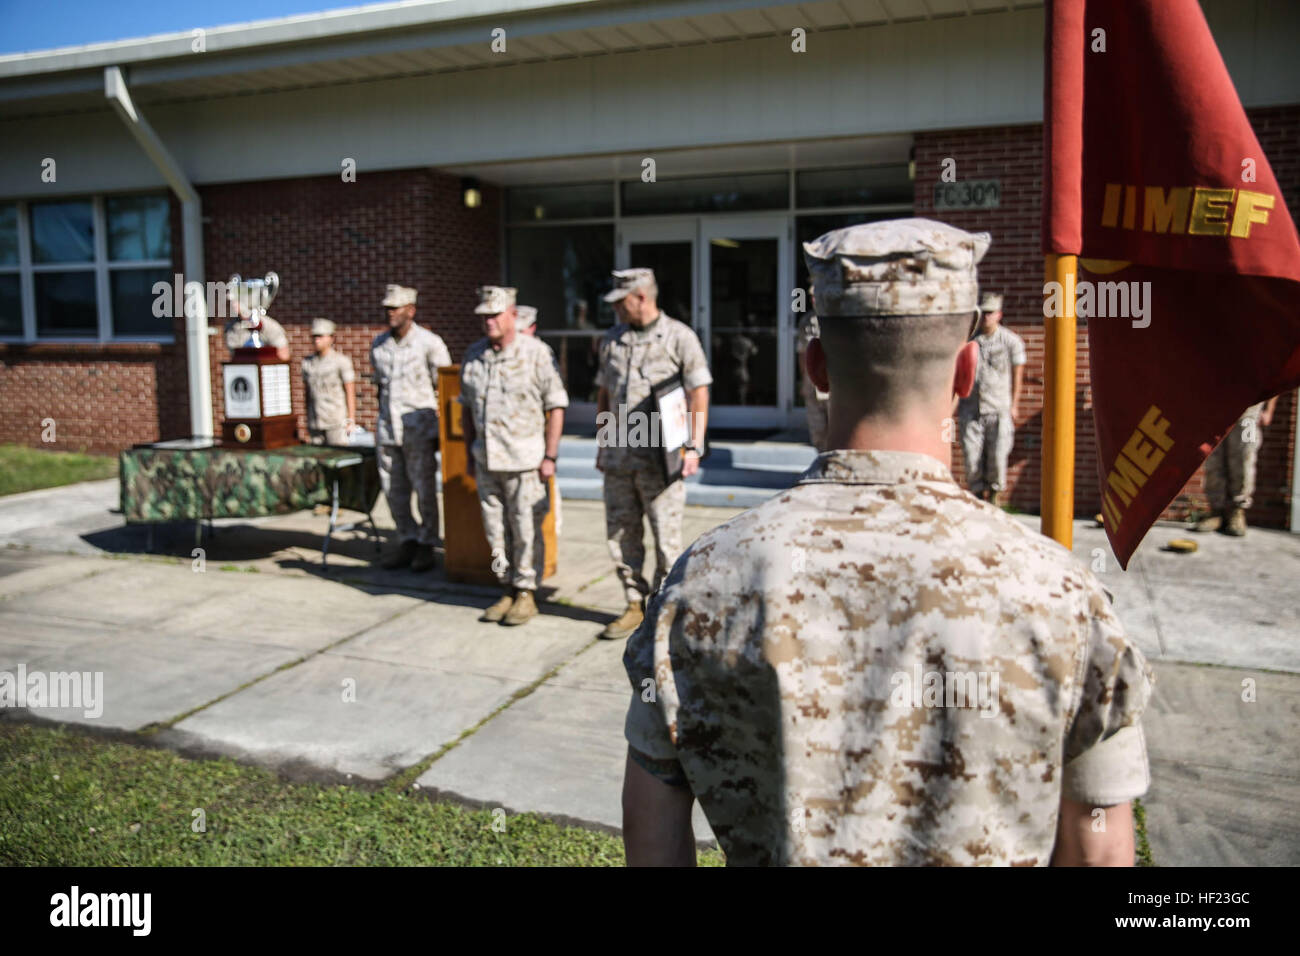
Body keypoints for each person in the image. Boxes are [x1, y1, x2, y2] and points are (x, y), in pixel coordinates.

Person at [621, 218, 1154, 867]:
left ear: (816, 366)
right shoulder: (1062, 596)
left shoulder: (701, 580)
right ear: (967, 370)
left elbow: (651, 832)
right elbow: (1098, 850)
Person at [596, 268, 712, 641]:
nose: (616, 309)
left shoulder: (679, 337)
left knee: (667, 541)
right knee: (621, 535)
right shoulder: (612, 340)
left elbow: (698, 392)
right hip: (619, 458)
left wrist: (693, 445)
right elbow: (604, 394)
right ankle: (634, 603)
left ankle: (664, 611)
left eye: (622, 302)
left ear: (642, 297)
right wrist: (603, 442)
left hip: (661, 461)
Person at [461, 288, 567, 625]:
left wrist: (550, 456)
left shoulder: (536, 353)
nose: (488, 321)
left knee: (525, 529)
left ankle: (526, 591)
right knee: (495, 530)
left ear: (512, 315)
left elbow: (556, 406)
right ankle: (506, 585)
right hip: (487, 459)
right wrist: (469, 454)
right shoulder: (474, 355)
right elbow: (466, 410)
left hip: (525, 461)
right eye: (484, 316)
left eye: (495, 315)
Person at [370, 284, 451, 573]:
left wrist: (440, 432)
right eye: (387, 309)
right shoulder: (379, 345)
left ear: (411, 311)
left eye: (395, 308)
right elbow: (380, 388)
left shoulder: (430, 343)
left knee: (424, 490)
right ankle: (407, 539)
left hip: (418, 431)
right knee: (394, 490)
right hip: (388, 430)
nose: (390, 313)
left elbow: (445, 388)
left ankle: (427, 542)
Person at [956, 292, 1026, 505]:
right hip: (971, 409)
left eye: (990, 313)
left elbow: (1017, 374)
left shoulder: (1010, 341)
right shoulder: (969, 341)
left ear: (999, 315)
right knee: (972, 458)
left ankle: (994, 499)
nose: (986, 317)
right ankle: (978, 498)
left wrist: (1014, 405)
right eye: (983, 313)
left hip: (998, 408)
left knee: (997, 457)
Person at [1193, 396, 1280, 536]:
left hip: (1249, 412)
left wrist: (1269, 410)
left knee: (1244, 459)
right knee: (1213, 460)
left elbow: (1274, 383)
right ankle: (1216, 512)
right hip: (1217, 408)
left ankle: (1237, 513)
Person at [301, 318, 357, 445]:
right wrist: (307, 419)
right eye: (314, 336)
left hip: (335, 422)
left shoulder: (341, 361)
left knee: (339, 454)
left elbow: (350, 391)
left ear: (331, 338)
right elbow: (307, 393)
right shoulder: (307, 363)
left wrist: (351, 419)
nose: (317, 340)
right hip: (315, 422)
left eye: (320, 336)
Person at [796, 288, 829, 452]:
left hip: (833, 385)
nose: (813, 299)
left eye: (816, 295)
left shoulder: (834, 318)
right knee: (818, 431)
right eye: (811, 296)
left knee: (837, 430)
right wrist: (803, 381)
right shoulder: (806, 321)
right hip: (812, 384)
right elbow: (802, 354)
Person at [223, 297, 290, 362]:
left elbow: (283, 353)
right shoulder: (231, 328)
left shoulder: (270, 325)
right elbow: (234, 353)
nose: (234, 305)